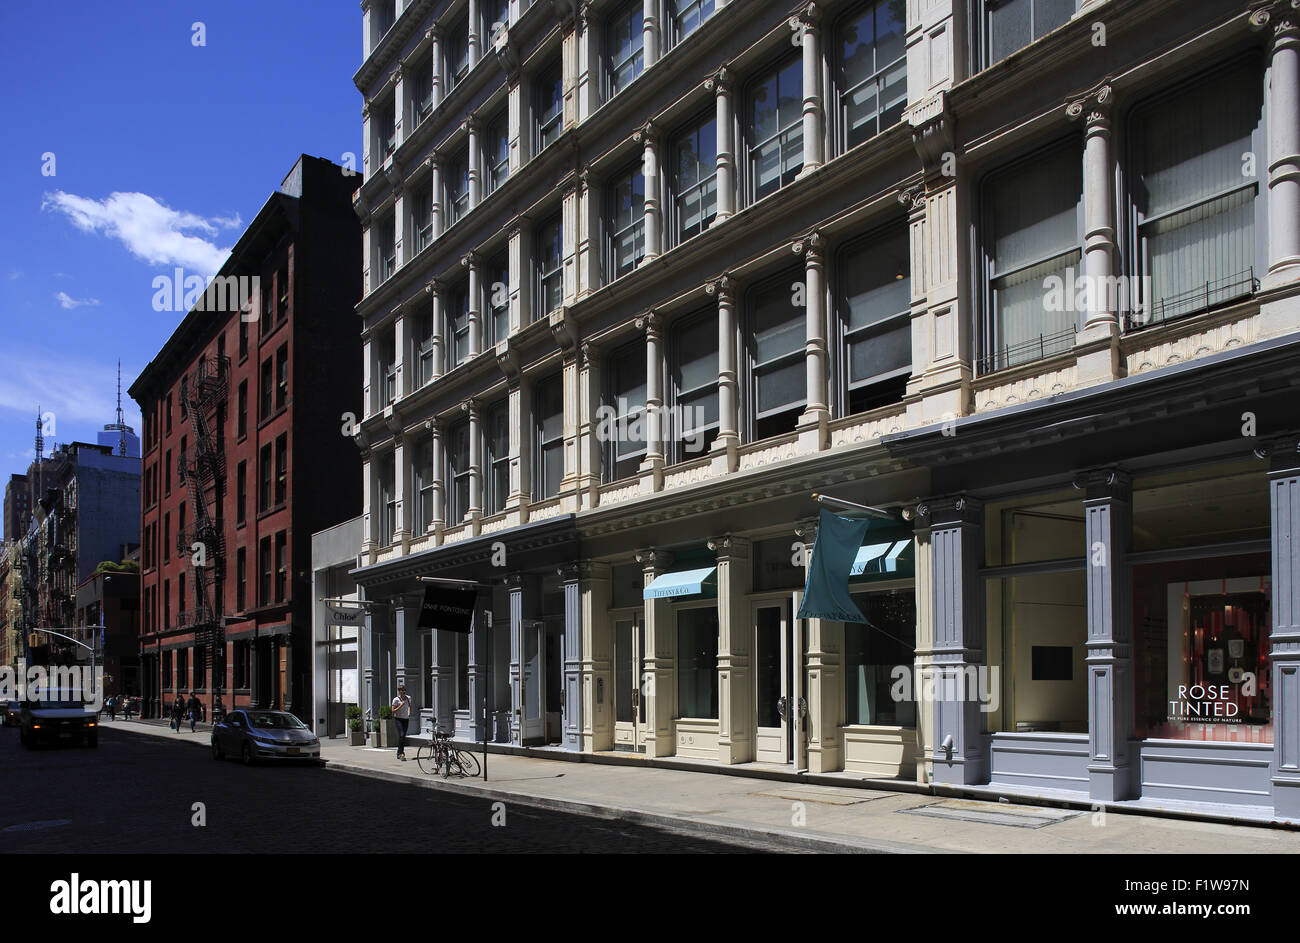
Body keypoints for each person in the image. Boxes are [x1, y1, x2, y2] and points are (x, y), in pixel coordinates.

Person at [391, 684, 412, 761]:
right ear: (399, 692)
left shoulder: (408, 698)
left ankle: (399, 752)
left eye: (404, 690)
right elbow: (393, 711)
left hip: (406, 719)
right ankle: (401, 753)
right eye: (401, 691)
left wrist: (409, 713)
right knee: (401, 734)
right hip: (398, 719)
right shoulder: (396, 700)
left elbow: (409, 706)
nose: (403, 692)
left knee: (403, 736)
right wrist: (400, 705)